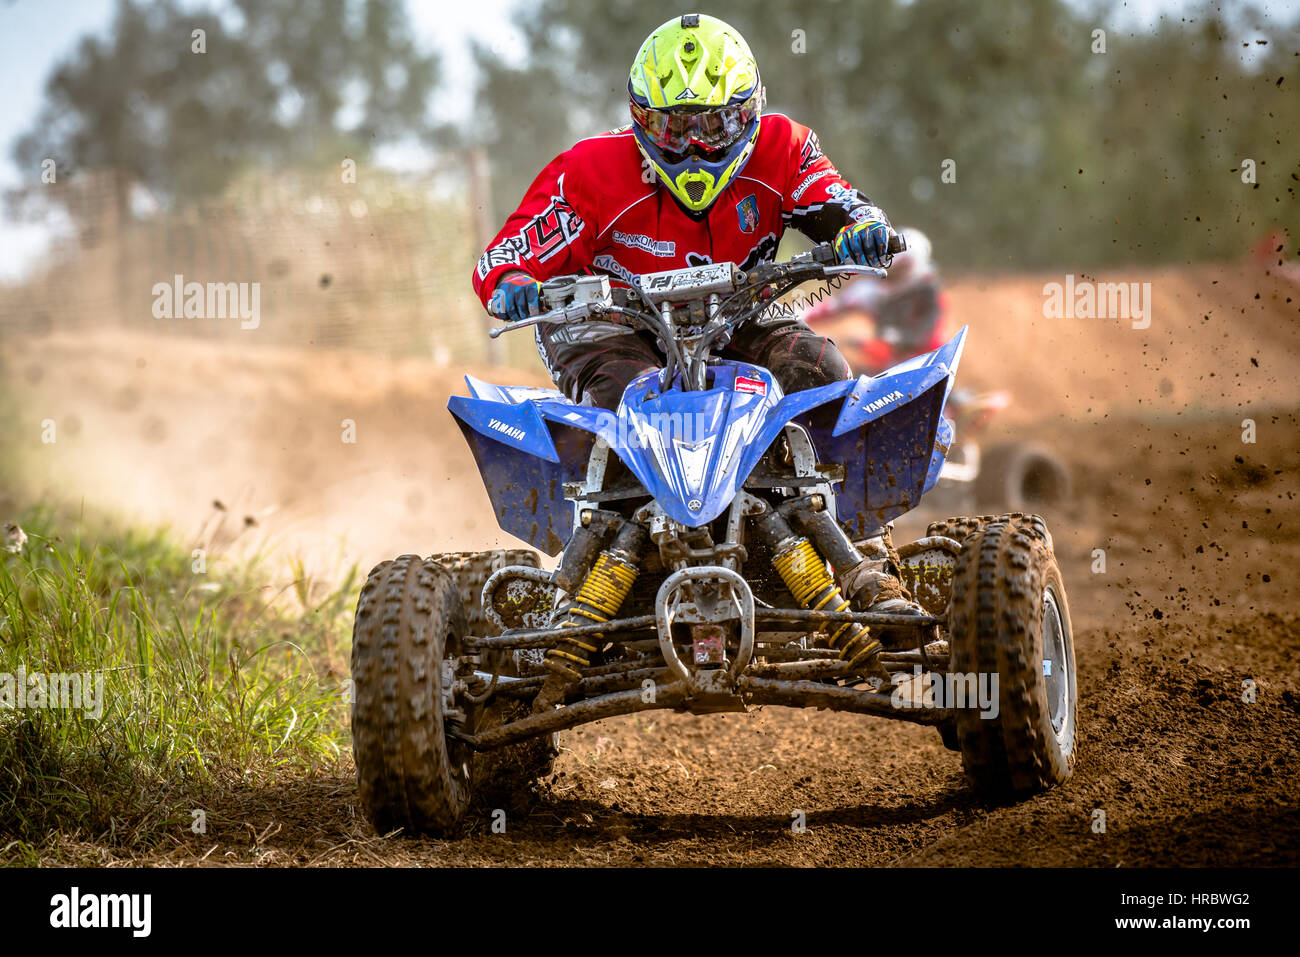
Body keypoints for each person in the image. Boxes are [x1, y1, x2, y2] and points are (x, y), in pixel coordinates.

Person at [471, 13, 921, 623]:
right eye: (672, 128)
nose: (695, 146)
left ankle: (856, 548)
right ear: (640, 120)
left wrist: (860, 232)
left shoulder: (783, 148)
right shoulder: (591, 171)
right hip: (612, 326)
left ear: (749, 113)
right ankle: (599, 561)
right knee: (624, 397)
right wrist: (516, 285)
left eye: (715, 124)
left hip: (737, 316)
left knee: (817, 366)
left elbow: (838, 201)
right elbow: (507, 253)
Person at [802, 228, 946, 376]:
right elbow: (834, 307)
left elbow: (925, 334)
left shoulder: (927, 290)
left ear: (911, 266)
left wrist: (887, 339)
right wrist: (800, 315)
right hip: (889, 364)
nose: (892, 272)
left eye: (900, 268)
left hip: (930, 362)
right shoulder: (873, 290)